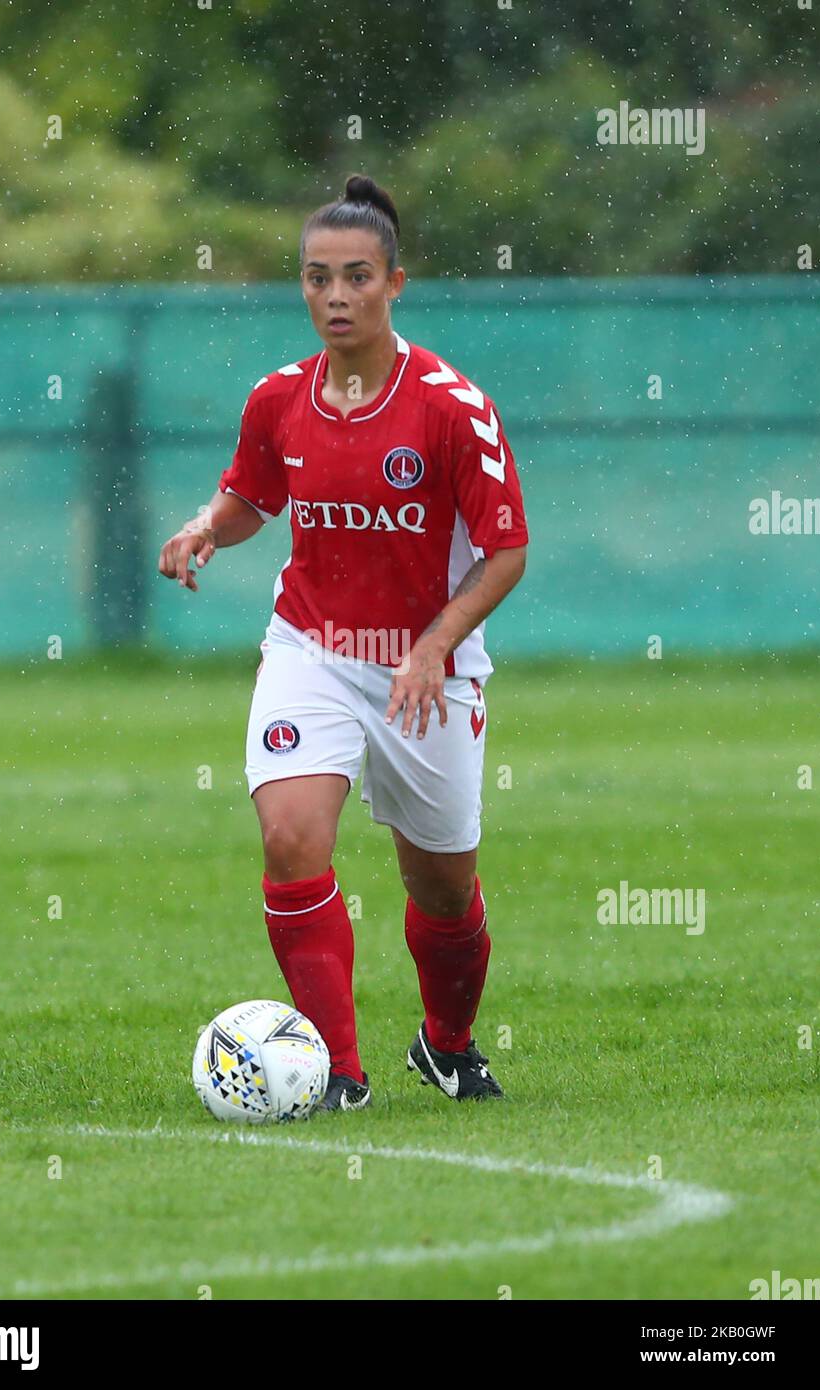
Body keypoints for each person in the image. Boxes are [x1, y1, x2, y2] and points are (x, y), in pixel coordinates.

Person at [159, 174, 528, 1110]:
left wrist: (433, 645)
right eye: (316, 277)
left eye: (355, 277)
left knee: (442, 888)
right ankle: (337, 1072)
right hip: (311, 647)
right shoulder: (279, 398)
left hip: (425, 667)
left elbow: (505, 553)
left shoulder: (451, 407)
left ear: (394, 283)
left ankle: (445, 1045)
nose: (333, 296)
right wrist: (209, 524)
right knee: (290, 839)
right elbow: (253, 499)